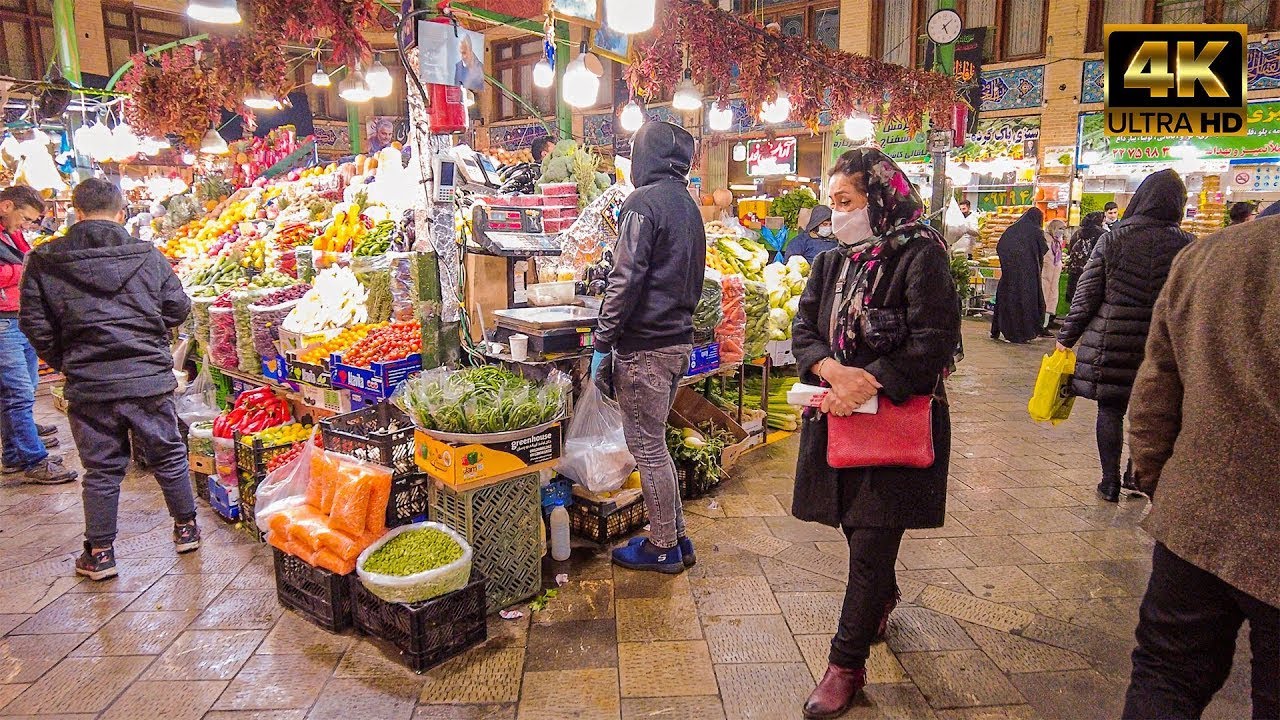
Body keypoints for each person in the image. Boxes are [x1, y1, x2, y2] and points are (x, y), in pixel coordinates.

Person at [790, 148, 960, 719]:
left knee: (869, 540)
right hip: (836, 421)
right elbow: (803, 329)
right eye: (832, 203)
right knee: (852, 528)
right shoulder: (831, 263)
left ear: (881, 200)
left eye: (846, 202)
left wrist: (869, 382)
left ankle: (845, 664)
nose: (835, 215)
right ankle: (882, 596)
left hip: (894, 422)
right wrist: (829, 370)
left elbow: (933, 339)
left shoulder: (921, 257)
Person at [1119, 216, 1278, 720]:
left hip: (1195, 516)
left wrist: (1160, 479)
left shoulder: (1210, 255)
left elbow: (1154, 393)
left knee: (1166, 675)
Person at [21, 178, 199, 581]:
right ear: (121, 213)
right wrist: (149, 338)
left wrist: (68, 360)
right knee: (168, 454)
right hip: (146, 377)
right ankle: (186, 529)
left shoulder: (45, 260)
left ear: (77, 214)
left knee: (101, 468)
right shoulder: (146, 254)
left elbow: (33, 323)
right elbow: (177, 307)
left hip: (90, 381)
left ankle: (100, 553)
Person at [592, 122, 705, 573]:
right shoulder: (687, 205)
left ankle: (661, 548)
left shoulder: (642, 203)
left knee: (647, 447)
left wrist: (603, 341)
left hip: (645, 348)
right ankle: (676, 538)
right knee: (656, 444)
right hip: (678, 343)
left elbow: (625, 279)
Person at [1056, 169, 1192, 503]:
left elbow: (1087, 294)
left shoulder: (1113, 238)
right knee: (1153, 407)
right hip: (1161, 342)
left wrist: (1066, 335)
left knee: (1111, 409)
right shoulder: (1187, 244)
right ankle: (1136, 474)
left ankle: (1109, 482)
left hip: (1113, 339)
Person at [0, 185, 76, 485]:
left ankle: (13, 455)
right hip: (2, 324)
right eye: (25, 217)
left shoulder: (10, 234)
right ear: (6, 206)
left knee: (18, 392)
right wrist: (23, 273)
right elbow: (21, 268)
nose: (27, 225)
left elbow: (25, 260)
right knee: (18, 393)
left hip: (16, 319)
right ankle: (35, 459)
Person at [990, 207, 1047, 344]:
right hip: (1028, 276)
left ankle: (1002, 330)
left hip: (1009, 274)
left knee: (1007, 300)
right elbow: (1043, 249)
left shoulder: (1012, 229)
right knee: (1026, 302)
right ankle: (1024, 332)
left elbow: (1000, 247)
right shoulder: (1036, 231)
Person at [1064, 211, 1105, 307]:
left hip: (1076, 269)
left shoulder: (1078, 232)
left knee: (1075, 295)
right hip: (1092, 269)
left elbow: (1071, 247)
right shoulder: (1102, 234)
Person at [1040, 218, 1067, 335]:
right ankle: (1040, 326)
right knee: (1043, 301)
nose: (1062, 231)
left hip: (1053, 279)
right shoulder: (1045, 241)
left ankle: (1044, 326)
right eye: (1060, 228)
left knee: (1049, 302)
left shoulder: (1057, 243)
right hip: (1045, 277)